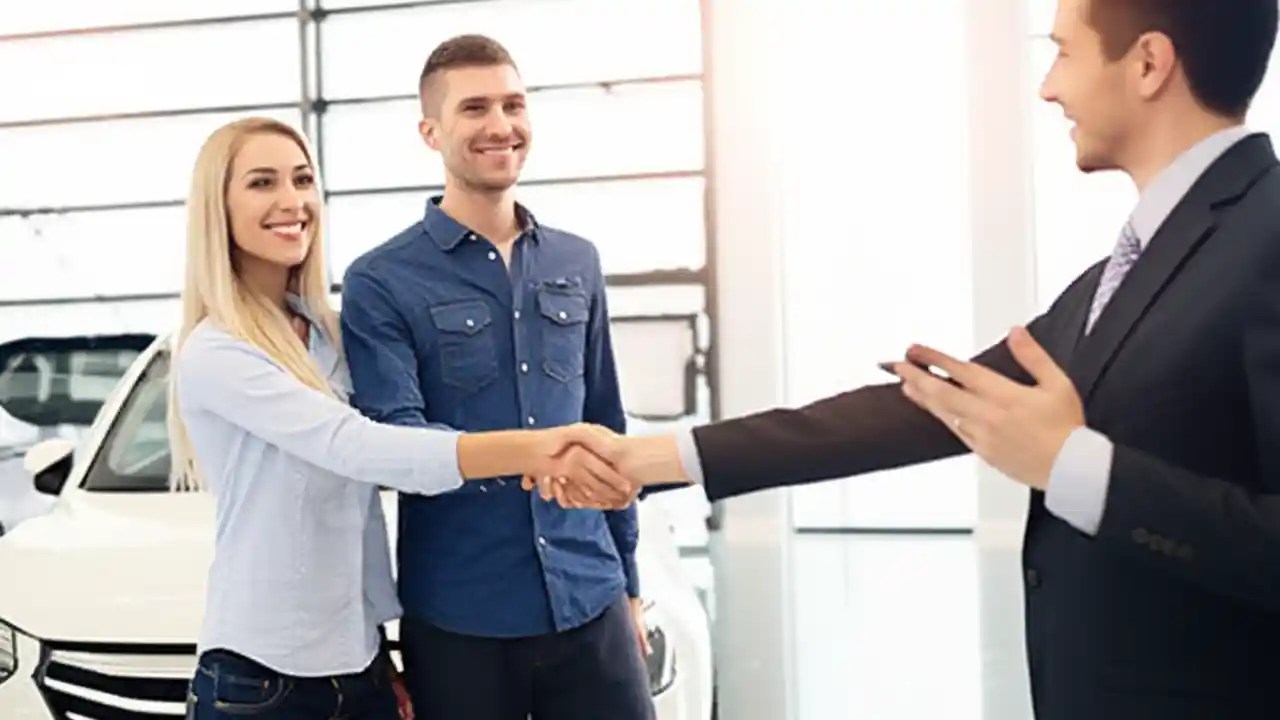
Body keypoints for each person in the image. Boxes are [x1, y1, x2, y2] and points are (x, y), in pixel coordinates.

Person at [543, 1, 1280, 717]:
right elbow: (922, 409)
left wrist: (1072, 467)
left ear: (1148, 63)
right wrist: (647, 460)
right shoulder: (1124, 274)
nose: (1048, 86)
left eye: (1063, 51)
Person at [168, 116, 627, 720]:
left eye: (303, 179)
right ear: (217, 209)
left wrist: (380, 652)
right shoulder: (217, 351)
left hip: (358, 669)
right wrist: (539, 448)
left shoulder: (327, 336)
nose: (292, 201)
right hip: (259, 681)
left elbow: (352, 520)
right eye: (262, 183)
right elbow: (357, 447)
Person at [339, 34, 654, 720]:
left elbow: (608, 425)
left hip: (591, 599)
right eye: (474, 108)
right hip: (461, 622)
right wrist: (528, 455)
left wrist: (629, 584)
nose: (500, 125)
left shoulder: (577, 261)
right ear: (430, 132)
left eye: (513, 104)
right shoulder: (380, 281)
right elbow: (397, 445)